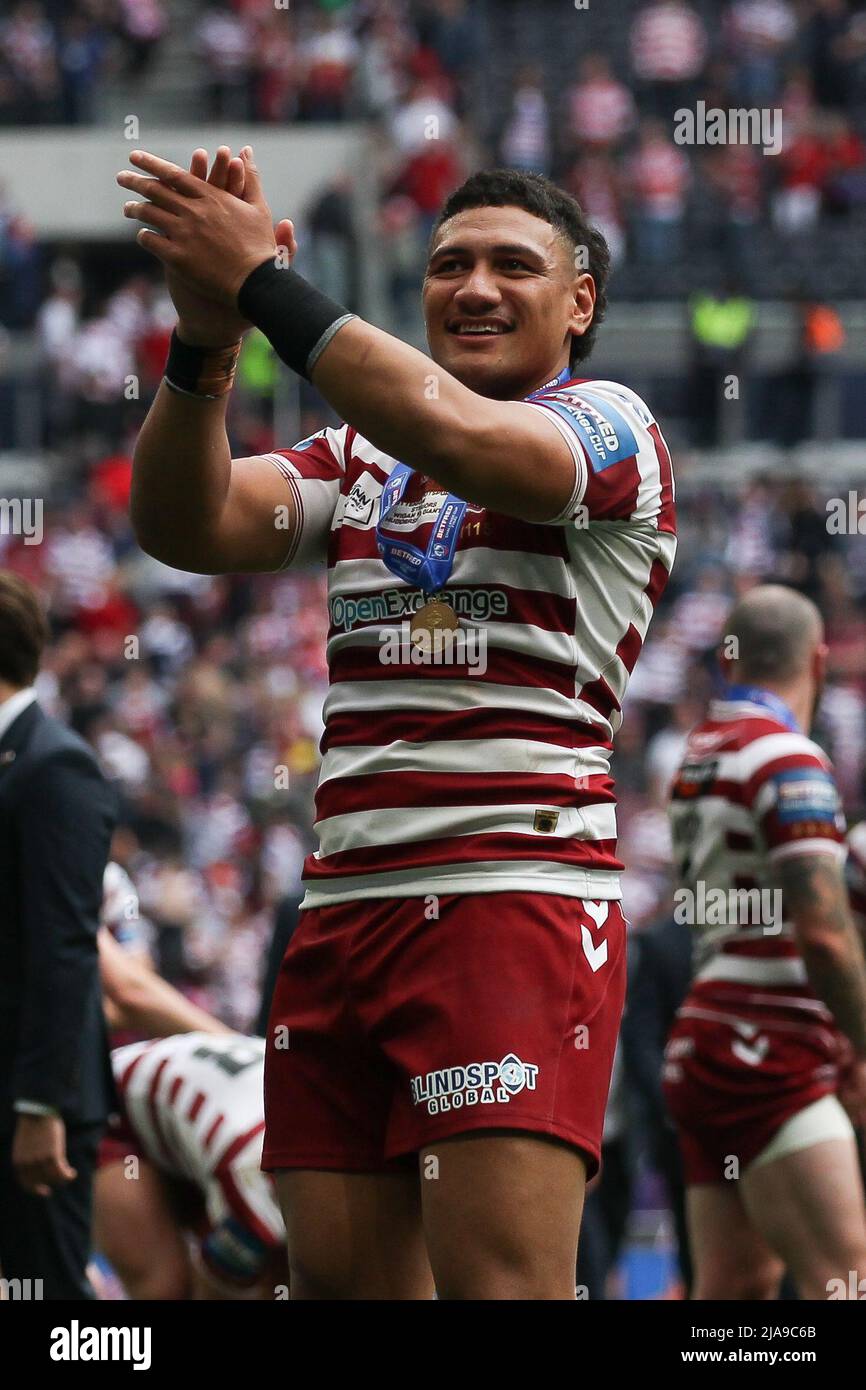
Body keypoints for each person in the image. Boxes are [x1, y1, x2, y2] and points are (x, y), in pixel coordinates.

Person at [116, 146, 676, 1300]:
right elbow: (186, 522)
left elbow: (469, 443)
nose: (472, 286)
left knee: (500, 1289)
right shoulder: (359, 456)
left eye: (511, 266)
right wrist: (208, 338)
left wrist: (267, 287)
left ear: (579, 304)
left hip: (505, 909)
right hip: (337, 923)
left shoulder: (607, 427)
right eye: (447, 264)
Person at [664, 585, 866, 1299]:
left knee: (734, 1295)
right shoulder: (784, 755)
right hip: (770, 1046)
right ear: (817, 661)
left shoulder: (699, 754)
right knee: (845, 1283)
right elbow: (824, 934)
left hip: (706, 1040)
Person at [0, 570, 117, 1299]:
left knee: (50, 1307)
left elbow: (64, 947)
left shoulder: (54, 766)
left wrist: (39, 1107)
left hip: (32, 1104)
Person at [94, 1032, 285, 1300]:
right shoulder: (257, 1185)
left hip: (205, 1122)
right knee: (165, 1290)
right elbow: (215, 1292)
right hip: (115, 1109)